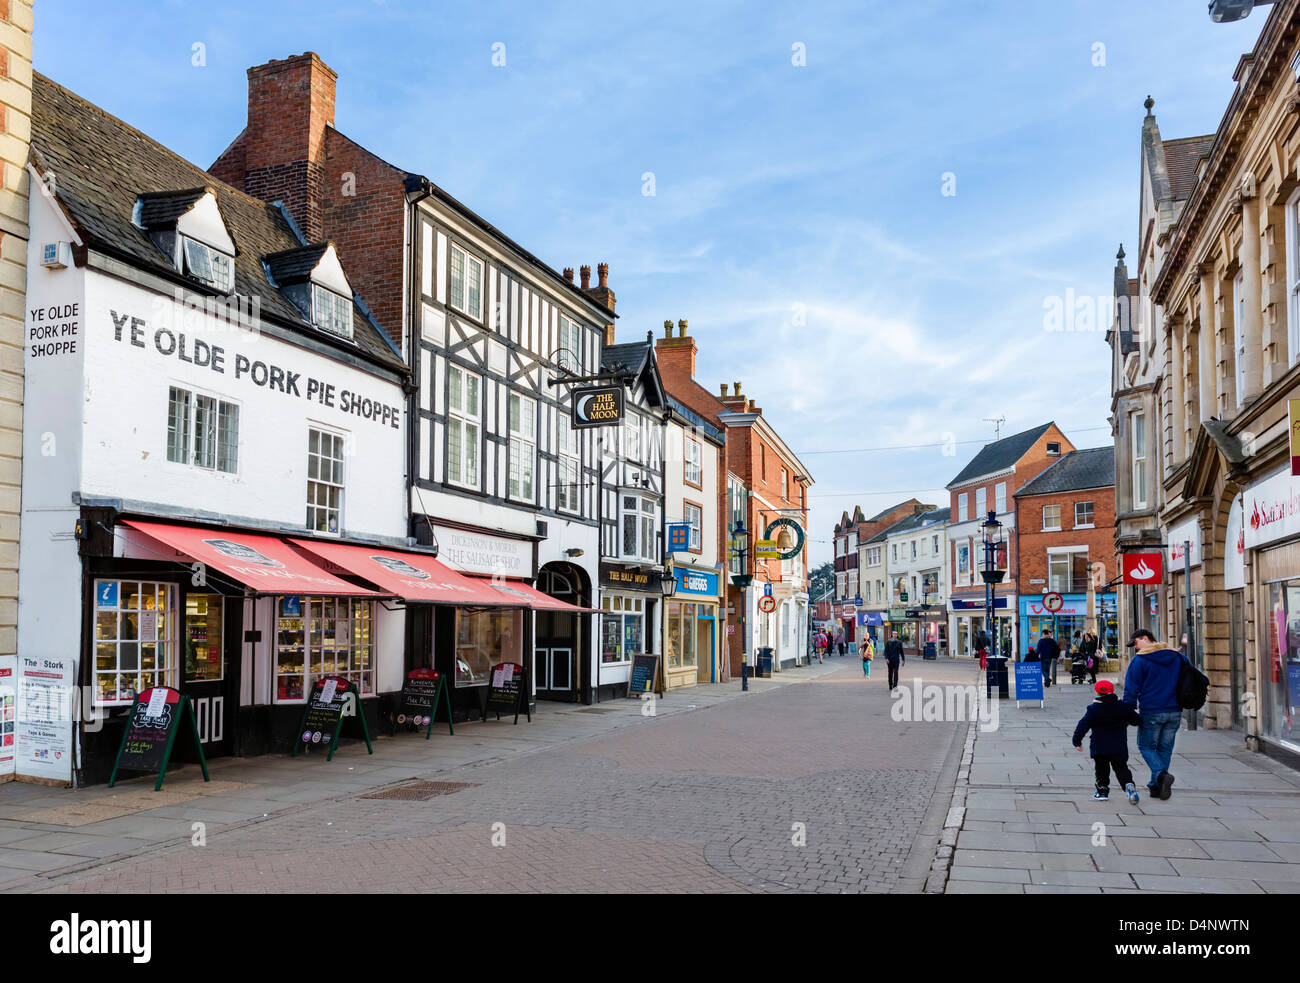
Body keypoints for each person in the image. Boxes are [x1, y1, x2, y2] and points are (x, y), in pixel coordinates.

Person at [1122, 628, 1185, 800]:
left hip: (1152, 711)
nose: (1135, 648)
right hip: (1174, 710)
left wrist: (1127, 711)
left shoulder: (1140, 660)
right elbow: (1189, 678)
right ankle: (1156, 787)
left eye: (1135, 643)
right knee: (1164, 749)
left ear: (1145, 638)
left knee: (1146, 747)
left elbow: (1131, 689)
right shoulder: (1177, 657)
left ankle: (1161, 775)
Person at [1072, 680, 1142, 803]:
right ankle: (1129, 785)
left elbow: (1083, 725)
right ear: (1112, 692)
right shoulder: (1123, 706)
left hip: (1100, 747)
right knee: (1121, 768)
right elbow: (1137, 720)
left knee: (1101, 770)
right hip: (1118, 746)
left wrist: (1077, 741)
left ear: (1097, 692)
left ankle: (1102, 792)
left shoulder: (1093, 709)